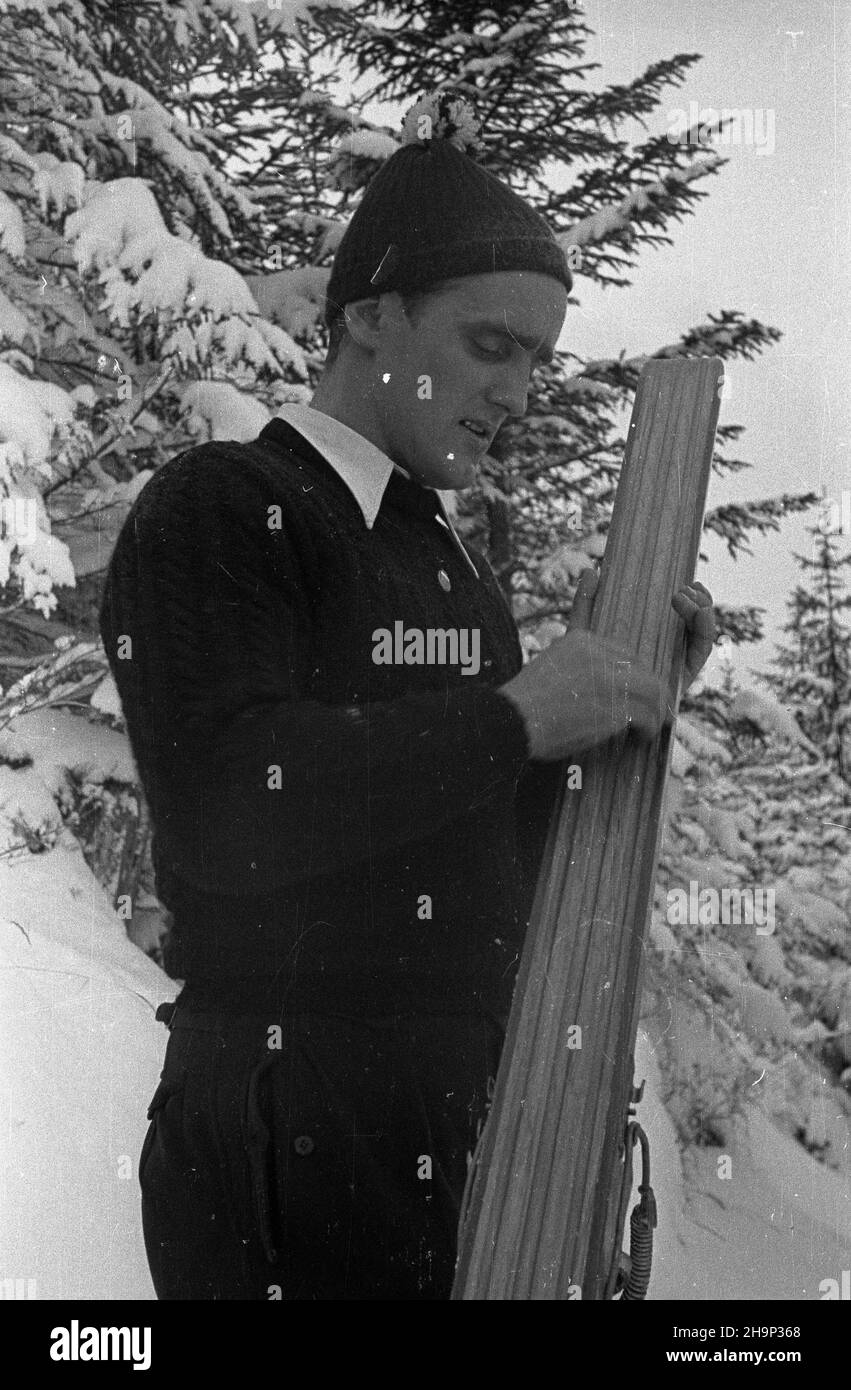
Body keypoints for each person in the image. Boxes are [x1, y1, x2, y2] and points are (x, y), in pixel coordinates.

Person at [100, 92, 715, 1300]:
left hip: (454, 1132)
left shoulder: (447, 562)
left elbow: (476, 869)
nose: (518, 392)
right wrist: (516, 717)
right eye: (491, 345)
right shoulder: (223, 505)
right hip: (289, 1124)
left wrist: (610, 704)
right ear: (372, 315)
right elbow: (229, 803)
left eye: (537, 358)